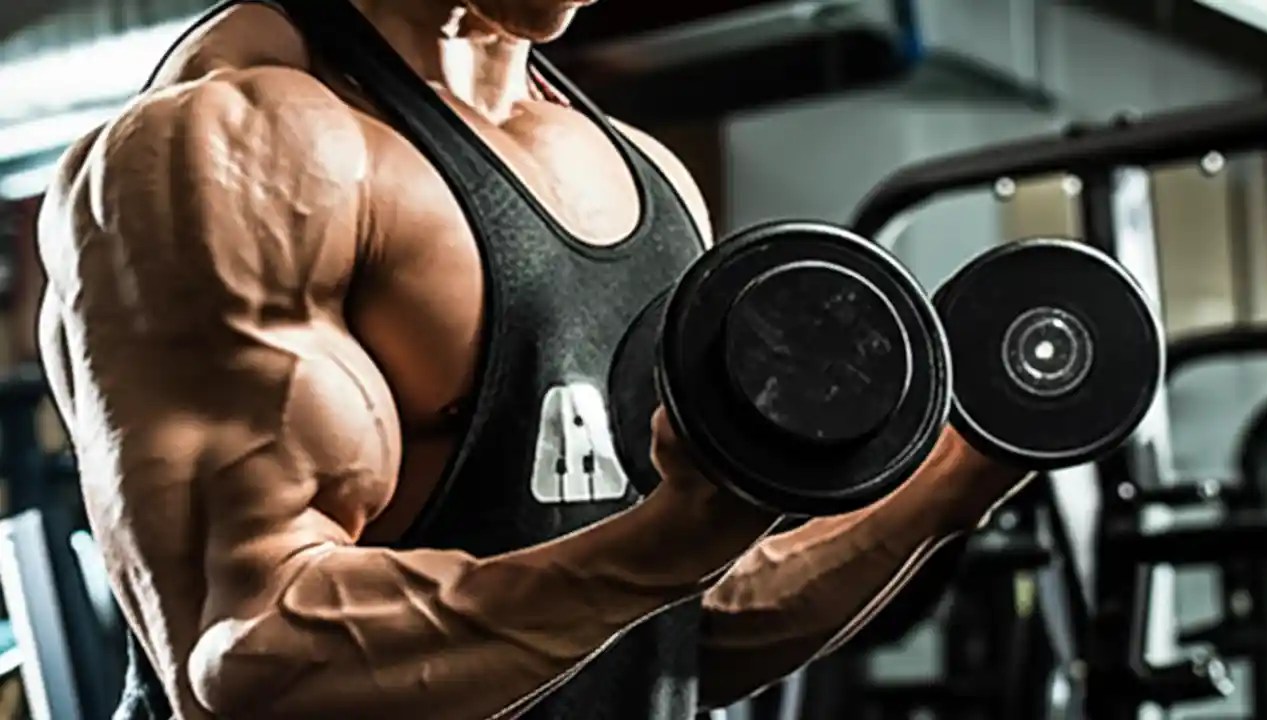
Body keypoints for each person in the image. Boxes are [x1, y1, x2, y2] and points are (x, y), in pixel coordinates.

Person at [36, 0, 1031, 717]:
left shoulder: (648, 178)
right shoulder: (235, 143)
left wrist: (960, 471)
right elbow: (253, 658)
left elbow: (671, 628)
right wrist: (660, 552)